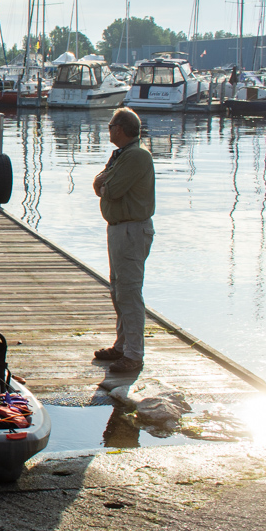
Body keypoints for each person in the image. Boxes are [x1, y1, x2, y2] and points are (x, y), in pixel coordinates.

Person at [92, 107, 156, 375]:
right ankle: (122, 345)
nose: (108, 130)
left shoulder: (137, 156)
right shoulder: (121, 155)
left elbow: (112, 190)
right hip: (119, 230)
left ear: (120, 128)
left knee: (129, 292)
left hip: (131, 230)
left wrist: (106, 185)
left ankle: (134, 355)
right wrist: (104, 184)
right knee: (118, 290)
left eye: (110, 126)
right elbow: (98, 184)